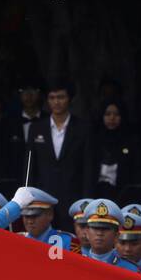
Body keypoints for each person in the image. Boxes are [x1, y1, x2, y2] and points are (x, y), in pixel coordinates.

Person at [27, 81, 91, 227]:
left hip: (73, 198)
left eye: (61, 97)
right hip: (42, 197)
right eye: (52, 97)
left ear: (70, 99)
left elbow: (89, 167)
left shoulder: (83, 128)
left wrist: (86, 201)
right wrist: (28, 197)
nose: (56, 102)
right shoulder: (36, 128)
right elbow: (30, 166)